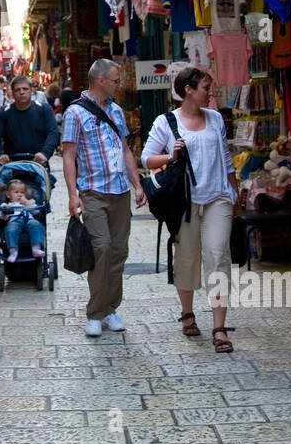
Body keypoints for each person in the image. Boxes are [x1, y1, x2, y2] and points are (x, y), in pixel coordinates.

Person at [142, 67, 239, 353]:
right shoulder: (166, 122)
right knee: (186, 257)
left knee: (218, 254)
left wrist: (235, 193)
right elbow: (147, 158)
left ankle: (219, 327)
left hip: (217, 197)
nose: (210, 93)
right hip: (185, 202)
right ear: (188, 90)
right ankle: (187, 313)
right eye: (206, 88)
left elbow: (226, 157)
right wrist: (170, 156)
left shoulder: (216, 119)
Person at [62, 59, 146, 337]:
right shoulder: (75, 113)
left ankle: (111, 307)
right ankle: (96, 313)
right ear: (100, 81)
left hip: (119, 190)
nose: (119, 85)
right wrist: (73, 195)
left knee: (119, 251)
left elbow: (126, 150)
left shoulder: (117, 112)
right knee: (102, 248)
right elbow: (69, 155)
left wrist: (138, 185)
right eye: (116, 80)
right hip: (93, 192)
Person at [0, 75, 58, 167]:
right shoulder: (3, 113)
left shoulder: (44, 110)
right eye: (17, 90)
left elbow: (53, 132)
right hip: (10, 164)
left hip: (38, 163)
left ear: (32, 91)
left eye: (25, 89)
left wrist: (45, 153)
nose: (22, 92)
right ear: (12, 92)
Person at [0, 177, 45, 261]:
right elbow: (1, 216)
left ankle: (36, 248)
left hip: (29, 220)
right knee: (10, 229)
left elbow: (37, 212)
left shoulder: (30, 202)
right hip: (15, 222)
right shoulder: (8, 205)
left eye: (22, 192)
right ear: (8, 195)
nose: (20, 195)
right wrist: (5, 209)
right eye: (16, 192)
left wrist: (27, 203)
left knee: (36, 224)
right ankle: (13, 251)